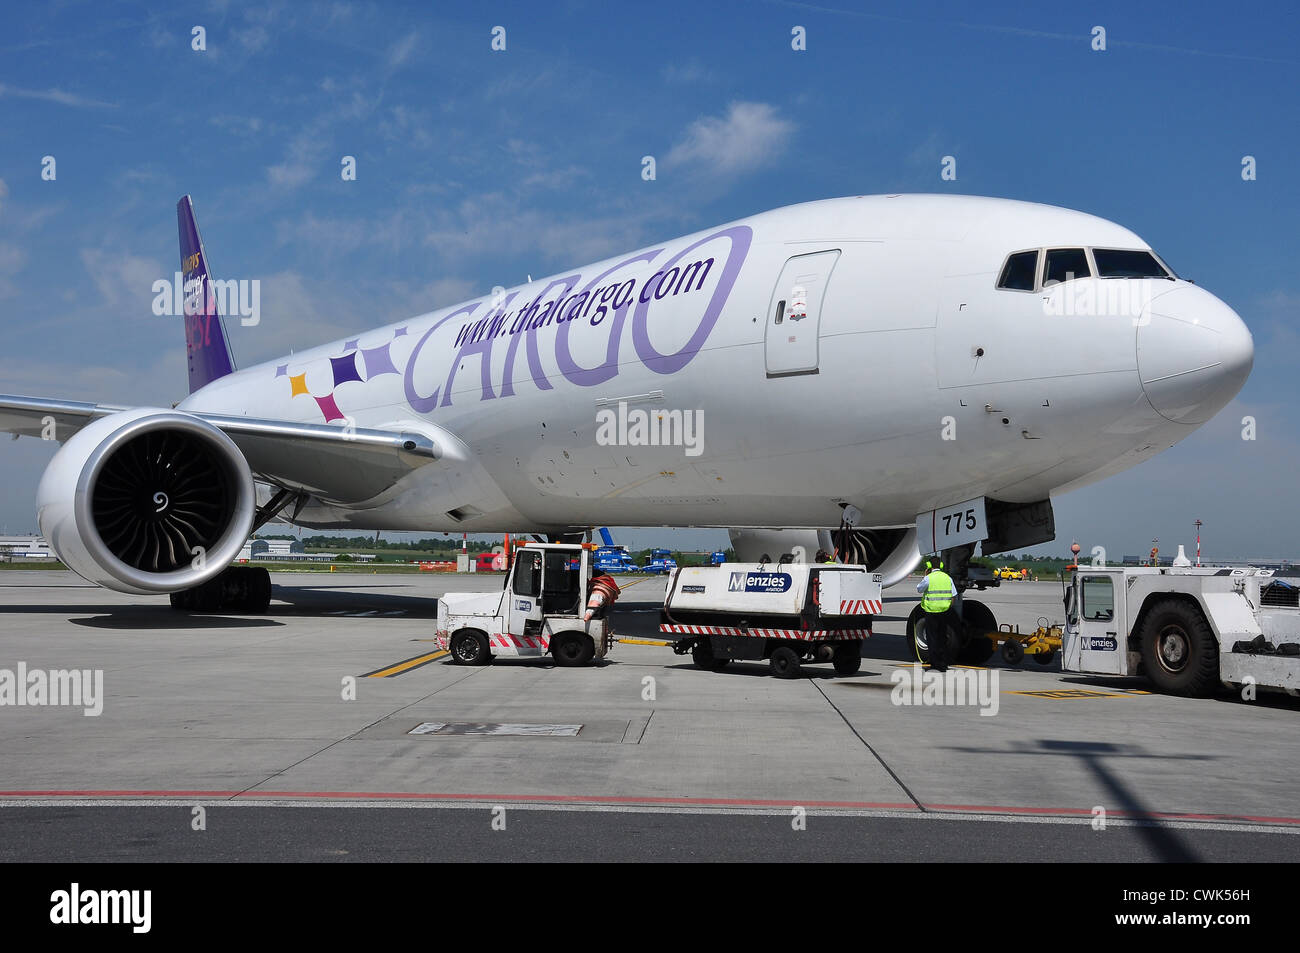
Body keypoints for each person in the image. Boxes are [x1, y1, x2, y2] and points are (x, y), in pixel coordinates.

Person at [916, 558, 957, 671]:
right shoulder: (947, 578)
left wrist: (925, 576)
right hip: (944, 611)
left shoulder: (929, 578)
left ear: (929, 565)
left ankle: (935, 663)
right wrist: (947, 607)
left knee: (932, 638)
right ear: (941, 565)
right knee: (942, 637)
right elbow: (953, 595)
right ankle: (943, 664)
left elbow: (919, 589)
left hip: (931, 612)